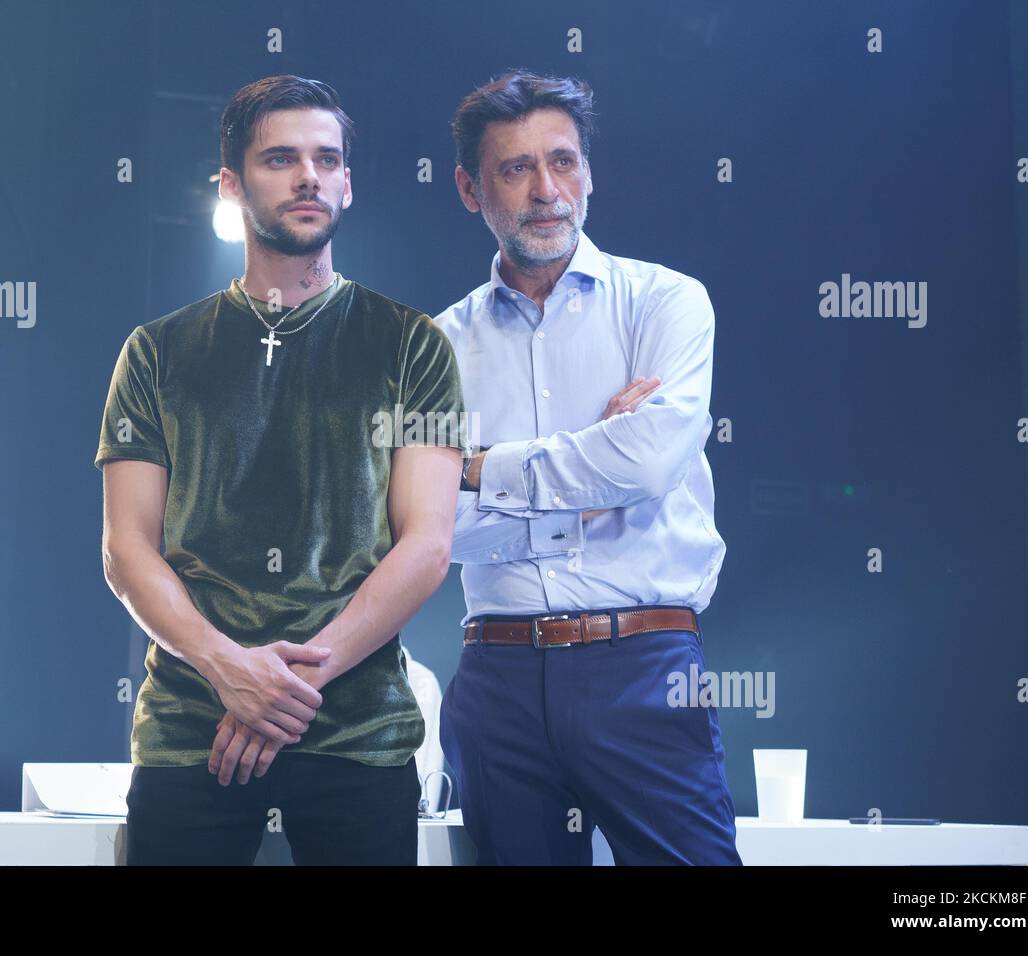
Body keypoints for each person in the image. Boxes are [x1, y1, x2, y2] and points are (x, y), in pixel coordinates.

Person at [95, 75, 465, 865]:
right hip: (191, 728)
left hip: (358, 731)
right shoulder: (155, 352)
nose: (308, 176)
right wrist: (230, 670)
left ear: (349, 183)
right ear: (231, 186)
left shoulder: (415, 344)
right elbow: (127, 549)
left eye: (326, 159)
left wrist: (279, 692)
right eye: (280, 159)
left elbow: (427, 544)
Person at [433, 69, 741, 865]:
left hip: (643, 664)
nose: (546, 190)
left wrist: (479, 469)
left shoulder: (667, 302)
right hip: (494, 679)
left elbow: (645, 462)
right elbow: (430, 526)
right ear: (470, 189)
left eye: (563, 162)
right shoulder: (434, 347)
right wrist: (593, 459)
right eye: (515, 169)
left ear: (589, 172)